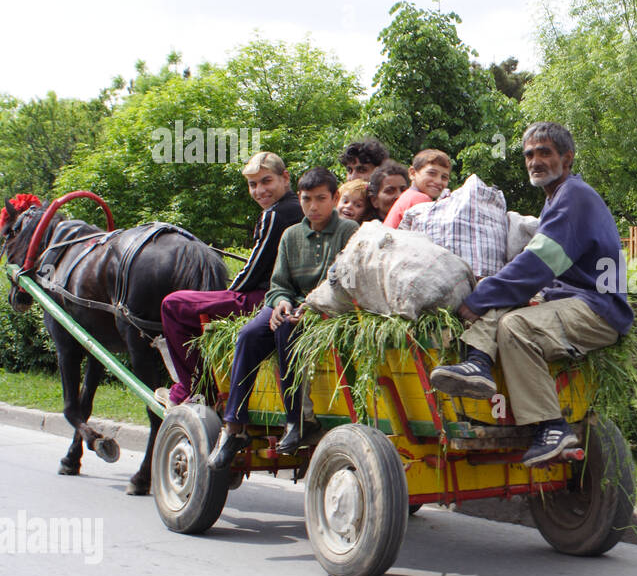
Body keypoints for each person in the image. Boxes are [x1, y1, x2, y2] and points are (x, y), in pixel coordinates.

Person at [428, 123, 632, 466]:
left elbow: (536, 265)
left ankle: (552, 426)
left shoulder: (574, 197)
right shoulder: (557, 199)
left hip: (599, 308)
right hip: (571, 299)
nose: (535, 161)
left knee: (516, 327)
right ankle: (478, 362)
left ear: (566, 159)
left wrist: (478, 298)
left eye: (545, 153)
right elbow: (536, 271)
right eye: (529, 154)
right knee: (511, 302)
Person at [209, 168, 359, 468]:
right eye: (306, 199)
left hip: (327, 308)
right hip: (290, 305)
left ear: (334, 199)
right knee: (250, 335)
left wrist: (309, 307)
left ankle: (297, 421)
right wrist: (279, 303)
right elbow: (279, 283)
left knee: (286, 331)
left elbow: (346, 280)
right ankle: (234, 426)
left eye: (320, 199)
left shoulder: (348, 231)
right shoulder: (291, 235)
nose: (313, 207)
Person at [156, 152, 303, 408]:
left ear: (285, 178)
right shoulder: (303, 207)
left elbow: (253, 269)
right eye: (253, 184)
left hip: (264, 298)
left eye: (266, 181)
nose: (259, 190)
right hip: (290, 297)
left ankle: (193, 389)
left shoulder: (275, 214)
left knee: (173, 304)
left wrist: (228, 293)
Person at [384, 148, 452, 229]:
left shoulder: (408, 195)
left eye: (444, 177)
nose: (438, 181)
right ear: (412, 173)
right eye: (432, 173)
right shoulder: (419, 199)